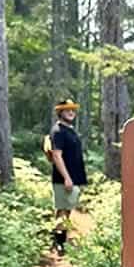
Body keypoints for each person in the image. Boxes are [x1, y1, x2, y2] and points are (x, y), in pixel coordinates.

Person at [50, 99, 87, 255]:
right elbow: (57, 156)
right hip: (64, 179)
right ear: (60, 113)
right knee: (62, 210)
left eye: (72, 110)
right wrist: (67, 178)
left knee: (68, 209)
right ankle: (59, 243)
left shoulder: (70, 130)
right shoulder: (58, 131)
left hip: (74, 177)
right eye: (67, 110)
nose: (71, 112)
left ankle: (61, 239)